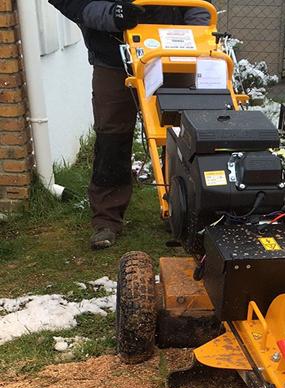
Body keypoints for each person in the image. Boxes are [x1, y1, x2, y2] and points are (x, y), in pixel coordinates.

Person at [49, 0, 211, 249]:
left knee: (182, 131)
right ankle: (107, 219)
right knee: (112, 136)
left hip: (173, 49)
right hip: (114, 56)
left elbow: (199, 6)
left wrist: (196, 34)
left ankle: (183, 208)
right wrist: (111, 14)